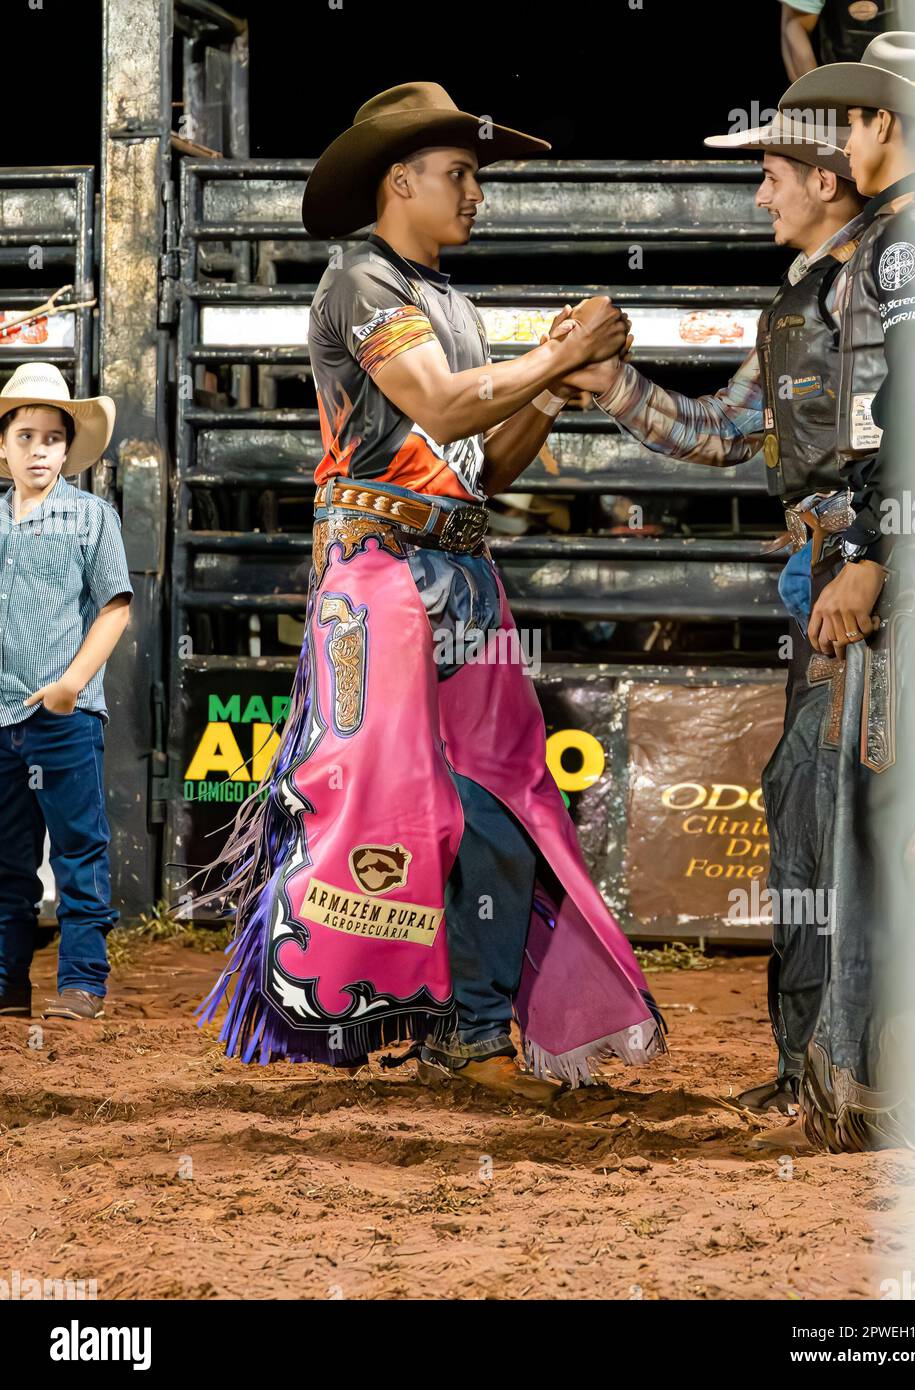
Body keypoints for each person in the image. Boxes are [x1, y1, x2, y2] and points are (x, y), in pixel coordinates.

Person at [196, 82, 666, 1102]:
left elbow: (483, 464)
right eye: (459, 175)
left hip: (451, 569)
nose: (475, 194)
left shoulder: (447, 302)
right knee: (392, 800)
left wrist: (555, 383)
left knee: (496, 798)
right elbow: (445, 401)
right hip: (380, 579)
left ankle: (470, 1025)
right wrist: (556, 354)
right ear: (397, 180)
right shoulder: (360, 281)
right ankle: (404, 1014)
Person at [554, 111, 875, 1114]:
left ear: (826, 180)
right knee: (812, 812)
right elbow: (728, 428)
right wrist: (609, 379)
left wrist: (864, 550)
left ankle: (834, 1075)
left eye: (775, 175)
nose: (762, 194)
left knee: (829, 815)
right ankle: (820, 1071)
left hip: (854, 576)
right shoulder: (811, 295)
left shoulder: (867, 284)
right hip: (827, 573)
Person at [778, 29, 915, 1148]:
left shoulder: (913, 245)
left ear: (889, 123)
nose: (845, 136)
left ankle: (880, 1074)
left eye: (854, 118)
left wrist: (872, 553)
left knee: (893, 815)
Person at [0, 363, 132, 1020]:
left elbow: (113, 607)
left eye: (52, 439)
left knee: (78, 850)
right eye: (25, 437)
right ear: (4, 446)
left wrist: (70, 687)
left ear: (66, 447)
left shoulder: (89, 518)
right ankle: (8, 986)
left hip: (61, 715)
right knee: (6, 860)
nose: (39, 450)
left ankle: (83, 983)